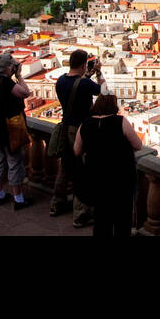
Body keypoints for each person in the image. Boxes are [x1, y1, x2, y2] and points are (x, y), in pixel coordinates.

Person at [73, 93, 142, 236]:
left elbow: (76, 150)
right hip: (121, 178)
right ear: (113, 106)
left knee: (101, 218)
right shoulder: (121, 122)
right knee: (122, 220)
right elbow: (138, 145)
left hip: (97, 179)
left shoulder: (85, 124)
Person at [51, 49, 101, 224]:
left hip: (65, 127)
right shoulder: (86, 84)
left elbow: (77, 87)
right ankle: (81, 214)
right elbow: (101, 91)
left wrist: (86, 75)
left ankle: (56, 204)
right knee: (82, 171)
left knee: (65, 167)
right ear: (82, 64)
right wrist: (99, 73)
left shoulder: (60, 81)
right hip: (81, 130)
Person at [0, 53, 31, 210]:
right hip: (10, 128)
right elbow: (25, 93)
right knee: (14, 162)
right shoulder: (7, 83)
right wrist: (19, 76)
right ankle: (18, 198)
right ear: (9, 68)